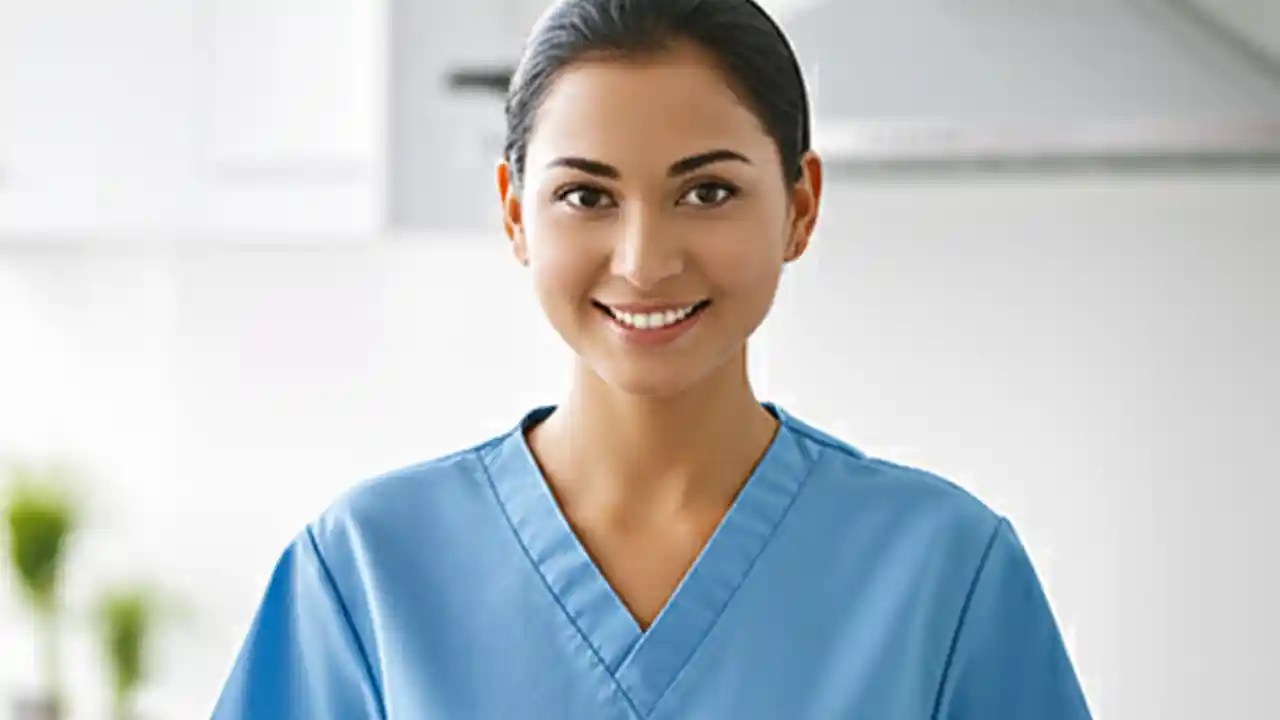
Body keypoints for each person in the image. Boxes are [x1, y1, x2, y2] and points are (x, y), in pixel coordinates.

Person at [211, 0, 1093, 717]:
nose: (644, 261)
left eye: (707, 192)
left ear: (800, 207)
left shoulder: (945, 572)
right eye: (585, 195)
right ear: (515, 212)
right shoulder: (367, 571)